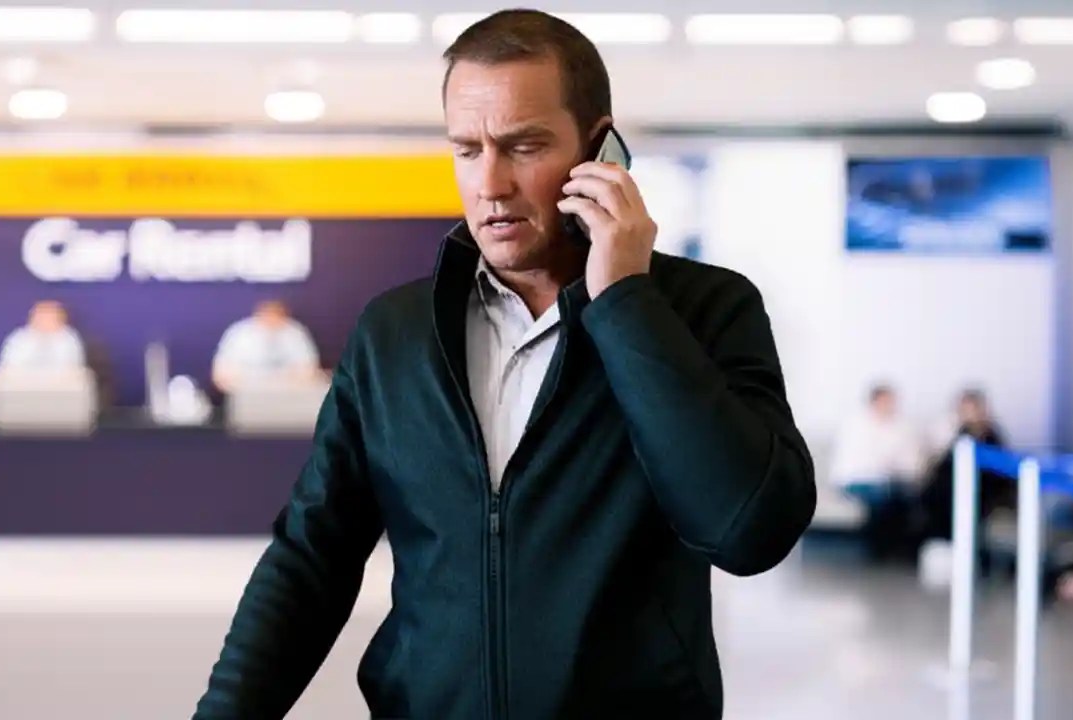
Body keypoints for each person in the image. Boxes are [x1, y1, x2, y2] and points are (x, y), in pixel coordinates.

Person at [193, 10, 815, 719]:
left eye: (523, 146)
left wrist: (626, 304)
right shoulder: (395, 332)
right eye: (467, 149)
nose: (489, 183)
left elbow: (748, 533)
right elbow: (310, 559)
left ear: (600, 150)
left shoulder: (705, 310)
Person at [830, 384, 926, 559]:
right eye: (885, 401)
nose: (889, 406)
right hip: (855, 480)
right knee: (882, 496)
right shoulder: (857, 425)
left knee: (908, 496)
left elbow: (909, 461)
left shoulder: (900, 426)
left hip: (889, 480)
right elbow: (864, 462)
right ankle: (877, 550)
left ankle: (901, 549)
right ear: (873, 402)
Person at [918, 388, 1010, 543]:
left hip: (982, 492)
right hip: (952, 490)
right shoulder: (962, 433)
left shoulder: (991, 437)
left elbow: (999, 474)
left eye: (971, 410)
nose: (967, 415)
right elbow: (945, 465)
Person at [211, 300, 321, 394]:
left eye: (276, 318)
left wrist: (280, 383)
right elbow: (221, 374)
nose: (271, 322)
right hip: (246, 394)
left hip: (289, 394)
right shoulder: (238, 333)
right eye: (267, 318)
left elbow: (309, 369)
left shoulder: (296, 333)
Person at [0, 300, 86, 371]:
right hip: (21, 385)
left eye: (51, 317)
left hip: (59, 386)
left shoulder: (69, 338)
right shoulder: (18, 338)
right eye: (41, 317)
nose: (45, 321)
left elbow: (73, 370)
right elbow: (7, 368)